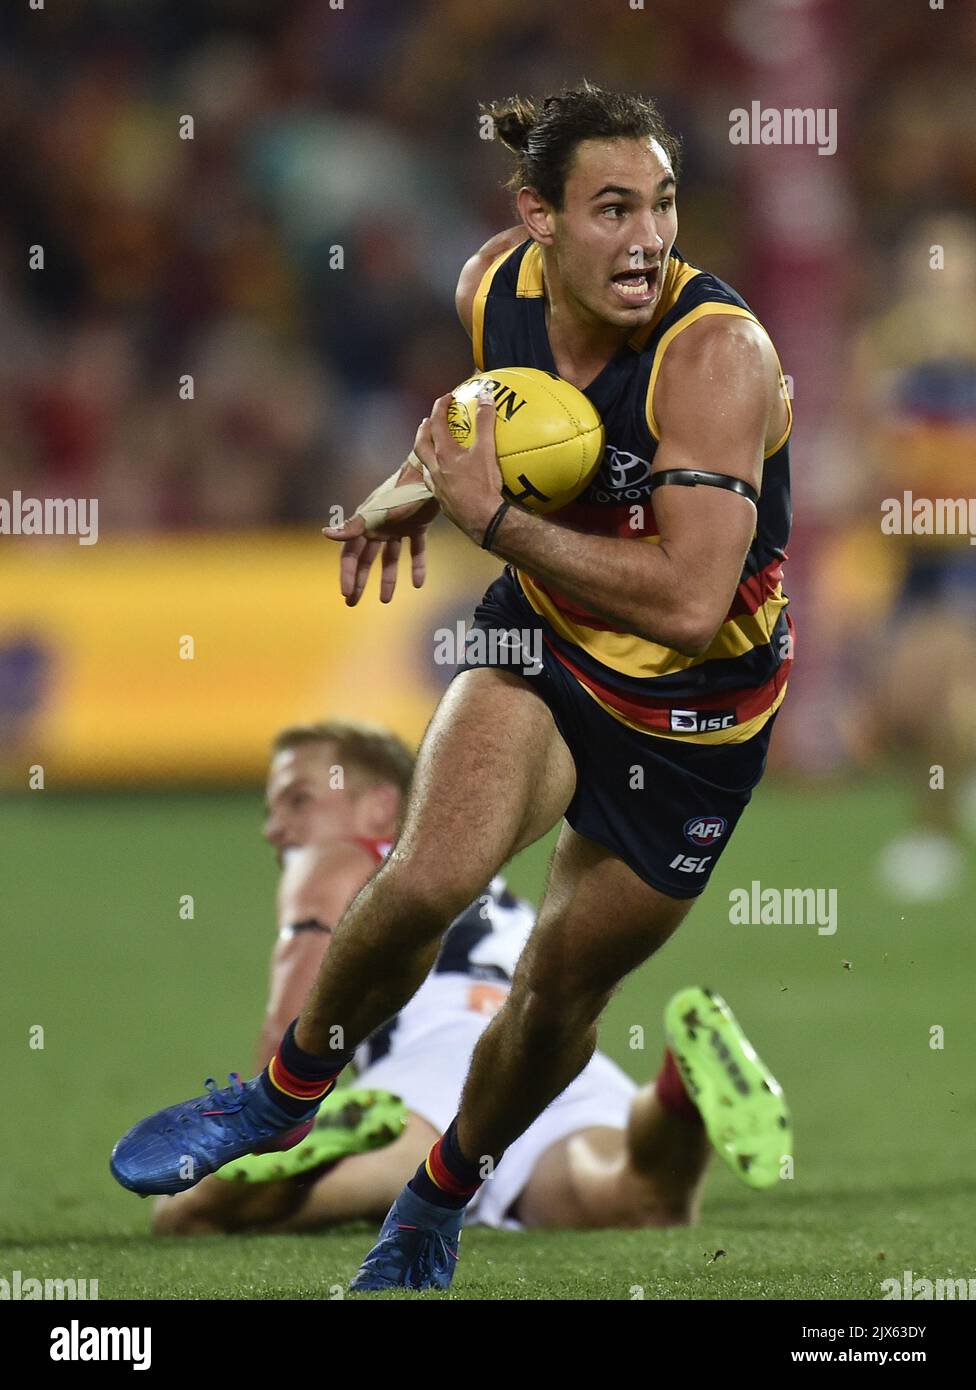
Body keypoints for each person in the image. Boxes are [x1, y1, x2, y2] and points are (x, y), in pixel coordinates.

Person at [112, 82, 795, 1293]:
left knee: (554, 996)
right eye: (613, 208)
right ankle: (281, 1097)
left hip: (697, 711)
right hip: (545, 643)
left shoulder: (715, 355)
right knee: (428, 872)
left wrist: (492, 523)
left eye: (665, 205)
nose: (649, 238)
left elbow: (694, 602)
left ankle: (436, 1199)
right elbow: (491, 426)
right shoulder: (494, 288)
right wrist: (420, 484)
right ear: (538, 219)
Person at [152, 721, 790, 1238]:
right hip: (545, 1054)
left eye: (298, 800)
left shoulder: (340, 860)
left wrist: (271, 1116)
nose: (276, 828)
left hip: (437, 1069)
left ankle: (290, 1169)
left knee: (186, 1214)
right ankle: (678, 1096)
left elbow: (304, 957)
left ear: (379, 805)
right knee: (636, 1198)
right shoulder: (471, 873)